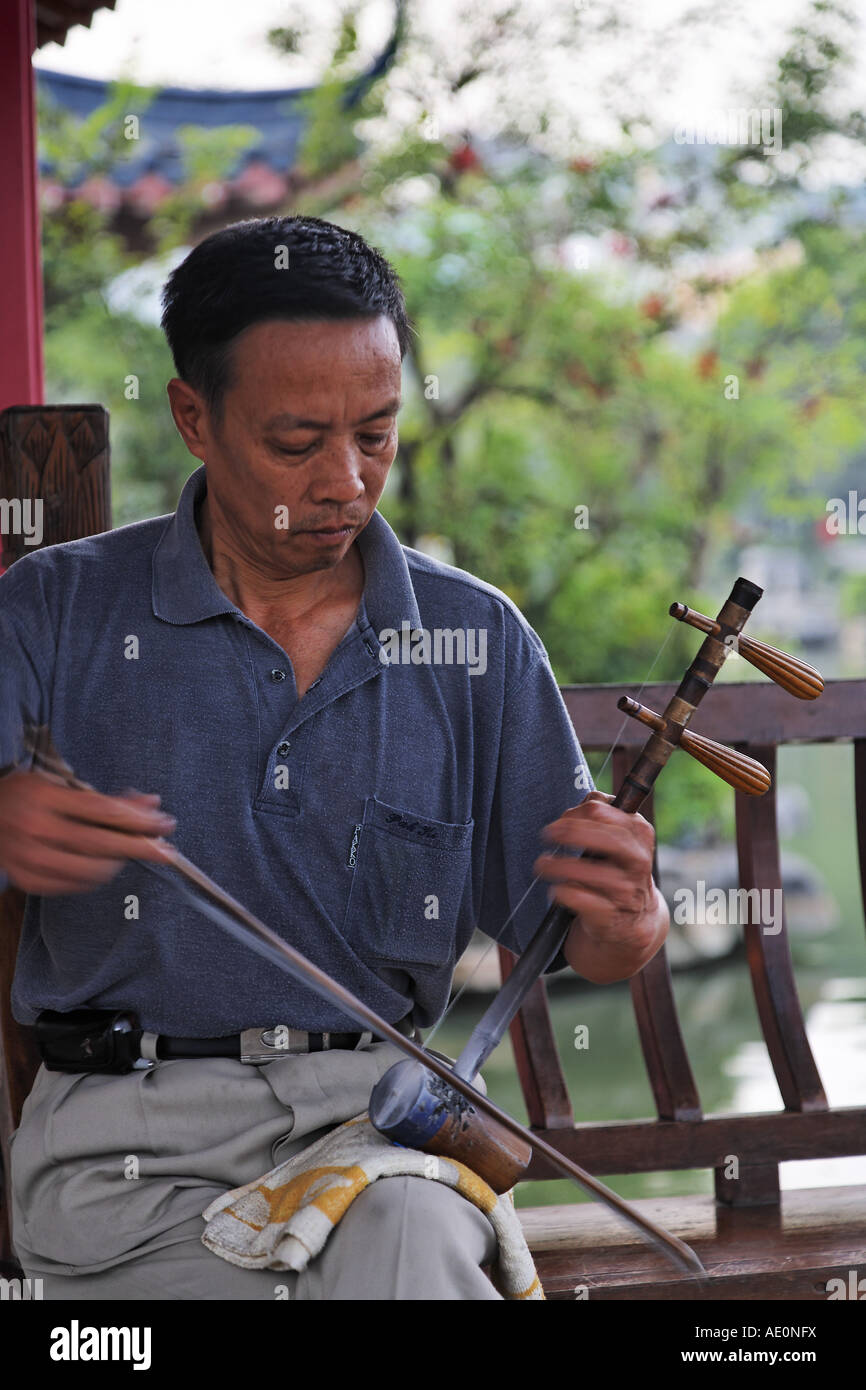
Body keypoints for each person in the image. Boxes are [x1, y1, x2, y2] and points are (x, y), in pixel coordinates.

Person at [0, 215, 668, 1300]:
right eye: (297, 442)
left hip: (379, 1123)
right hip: (126, 1158)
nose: (346, 483)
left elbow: (585, 943)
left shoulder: (474, 639)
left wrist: (629, 918)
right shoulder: (56, 611)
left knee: (409, 1231)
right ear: (193, 417)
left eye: (375, 433)